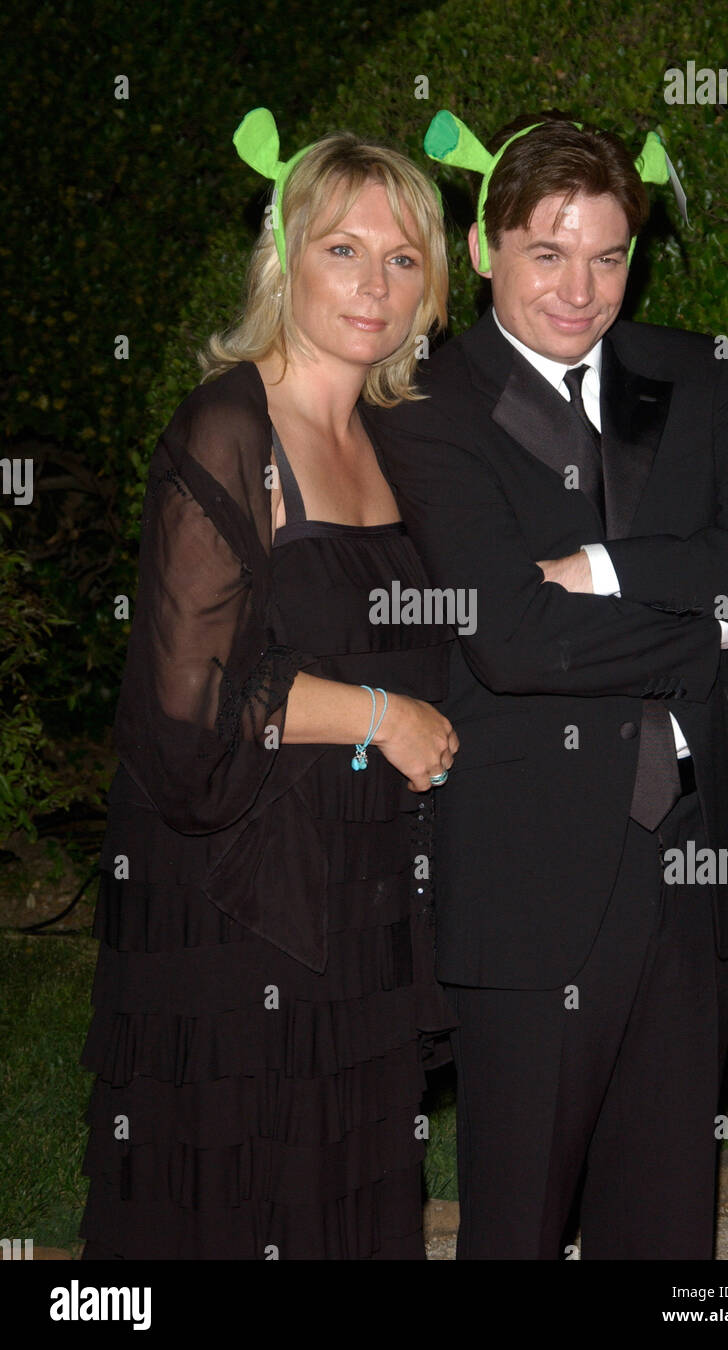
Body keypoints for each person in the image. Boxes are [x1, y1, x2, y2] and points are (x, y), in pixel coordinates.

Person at [362, 109, 728, 1259]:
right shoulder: (425, 400)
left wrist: (614, 569)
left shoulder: (694, 371)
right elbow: (512, 639)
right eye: (547, 252)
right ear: (483, 249)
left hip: (694, 846)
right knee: (515, 1224)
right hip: (528, 873)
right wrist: (706, 631)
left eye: (608, 254)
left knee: (667, 1224)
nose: (581, 289)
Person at [78, 109, 459, 1260]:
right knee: (246, 1199)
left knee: (351, 1193)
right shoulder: (229, 427)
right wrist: (382, 717)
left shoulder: (396, 439)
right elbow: (185, 710)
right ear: (283, 258)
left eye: (402, 259)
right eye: (342, 248)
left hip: (360, 888)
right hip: (245, 896)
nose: (373, 283)